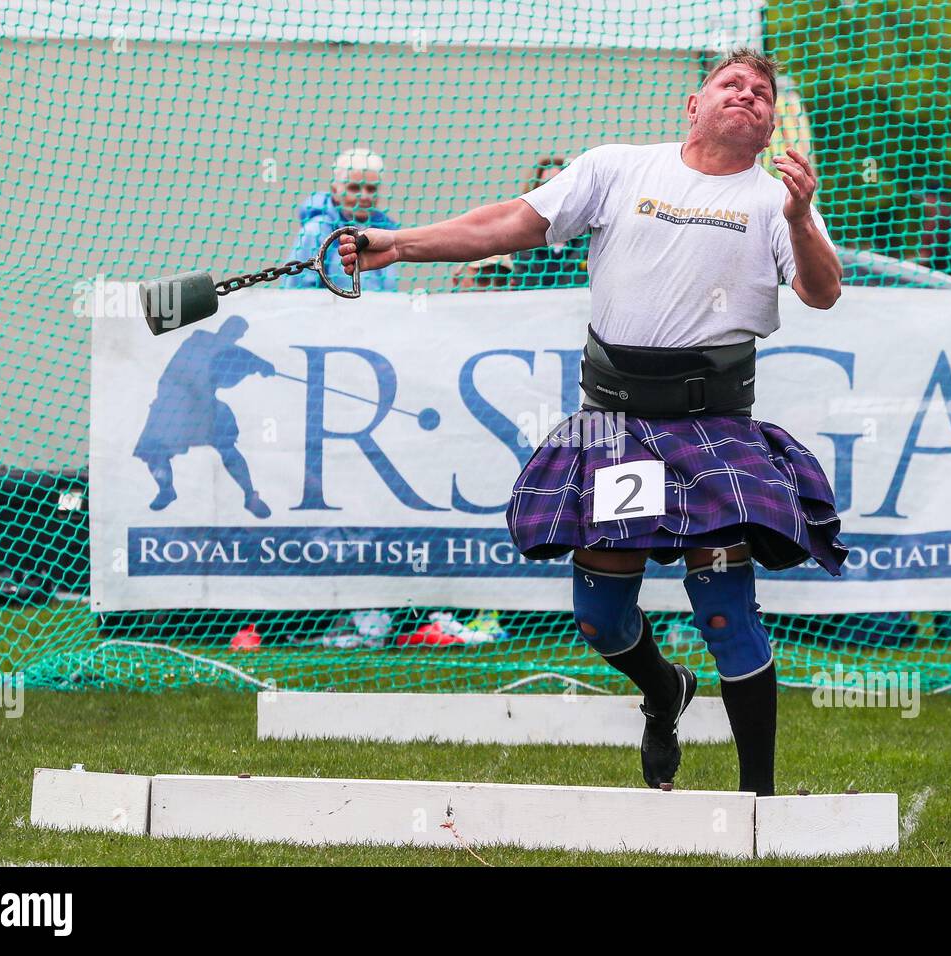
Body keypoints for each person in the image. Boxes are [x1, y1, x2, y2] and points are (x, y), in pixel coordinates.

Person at [340, 49, 847, 796]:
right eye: (731, 84)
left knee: (724, 614)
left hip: (717, 435)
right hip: (620, 431)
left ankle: (757, 806)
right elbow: (509, 222)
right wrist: (399, 244)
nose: (747, 95)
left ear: (770, 122)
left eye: (762, 92)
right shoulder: (617, 168)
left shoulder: (778, 202)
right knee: (602, 620)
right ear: (694, 103)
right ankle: (664, 690)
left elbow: (823, 290)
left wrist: (802, 218)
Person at [132, 315, 276, 519]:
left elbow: (249, 362)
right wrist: (257, 364)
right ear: (225, 327)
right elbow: (231, 355)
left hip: (206, 406)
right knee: (155, 450)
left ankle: (250, 496)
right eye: (232, 329)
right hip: (174, 403)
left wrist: (263, 367)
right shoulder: (200, 339)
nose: (234, 335)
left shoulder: (234, 352)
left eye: (238, 333)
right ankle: (166, 490)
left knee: (227, 448)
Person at [282, 147, 400, 293]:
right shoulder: (316, 231)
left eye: (371, 189)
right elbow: (296, 292)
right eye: (354, 188)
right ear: (334, 190)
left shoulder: (384, 233)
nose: (364, 196)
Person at [509, 156, 590, 289]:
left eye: (560, 183)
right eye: (545, 184)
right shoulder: (520, 243)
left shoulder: (590, 240)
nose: (552, 191)